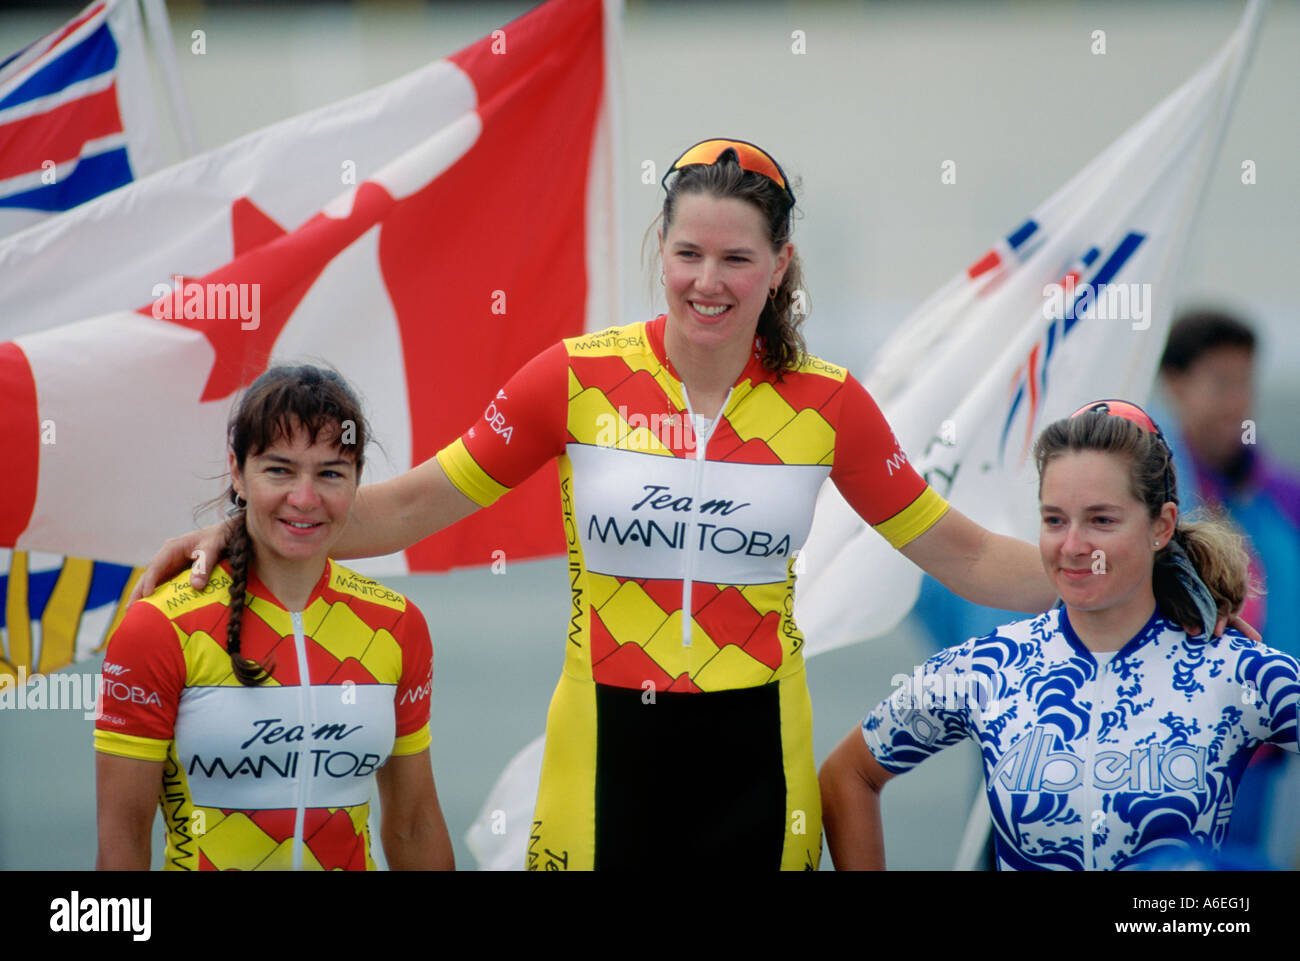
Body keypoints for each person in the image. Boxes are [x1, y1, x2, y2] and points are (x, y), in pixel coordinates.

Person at [132, 140, 1200, 870]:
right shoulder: (574, 379)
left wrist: (1128, 565)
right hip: (605, 741)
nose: (707, 279)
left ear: (779, 267)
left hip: (755, 748)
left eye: (737, 258)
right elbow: (413, 503)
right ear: (661, 251)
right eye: (688, 252)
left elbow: (961, 554)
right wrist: (250, 528)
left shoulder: (825, 405)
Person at [818, 400, 1300, 871]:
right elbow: (849, 775)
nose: (1072, 546)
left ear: (1161, 525)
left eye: (1101, 520)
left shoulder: (1235, 669)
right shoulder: (991, 667)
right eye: (1054, 520)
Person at [95, 365, 454, 871]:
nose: (304, 499)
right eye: (279, 470)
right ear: (237, 473)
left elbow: (413, 825)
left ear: (356, 480)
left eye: (331, 472)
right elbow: (121, 848)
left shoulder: (396, 624)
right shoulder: (159, 628)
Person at [1156, 307, 1300, 865]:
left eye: (1244, 382)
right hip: (1170, 756)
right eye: (1219, 383)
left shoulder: (1282, 499)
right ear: (1175, 384)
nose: (1235, 401)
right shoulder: (1150, 505)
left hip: (1264, 758)